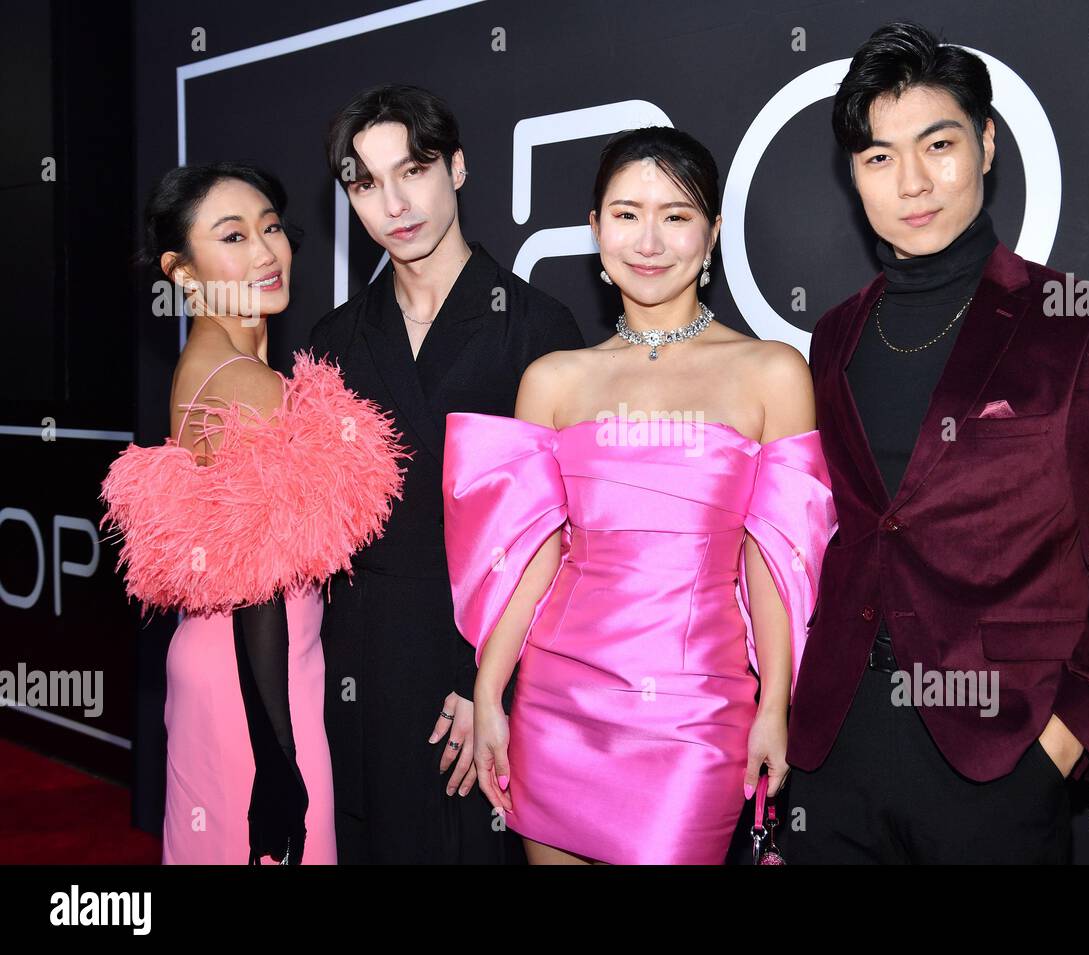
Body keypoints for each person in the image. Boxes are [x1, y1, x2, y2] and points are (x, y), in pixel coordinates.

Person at [782, 20, 1089, 863]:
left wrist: (1061, 746)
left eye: (938, 143)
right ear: (854, 176)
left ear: (988, 144)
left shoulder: (1087, 324)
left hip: (995, 769)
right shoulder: (831, 339)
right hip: (832, 760)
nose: (913, 181)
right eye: (878, 157)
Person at [441, 126, 837, 864]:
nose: (649, 240)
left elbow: (775, 559)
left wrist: (774, 705)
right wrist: (490, 690)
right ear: (595, 231)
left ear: (712, 231)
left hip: (697, 712)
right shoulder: (554, 380)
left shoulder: (771, 372)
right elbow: (535, 552)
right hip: (556, 702)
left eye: (676, 215)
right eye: (626, 214)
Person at [100, 162, 408, 864]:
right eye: (233, 235)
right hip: (255, 692)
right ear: (182, 270)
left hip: (232, 671)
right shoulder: (245, 383)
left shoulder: (206, 363)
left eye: (272, 227)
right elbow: (258, 589)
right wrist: (278, 764)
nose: (266, 252)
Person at [309, 84, 585, 864]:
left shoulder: (538, 327)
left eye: (414, 169)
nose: (394, 202)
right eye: (364, 183)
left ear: (457, 168)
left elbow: (563, 537)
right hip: (359, 671)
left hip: (480, 675)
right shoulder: (333, 339)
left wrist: (488, 682)